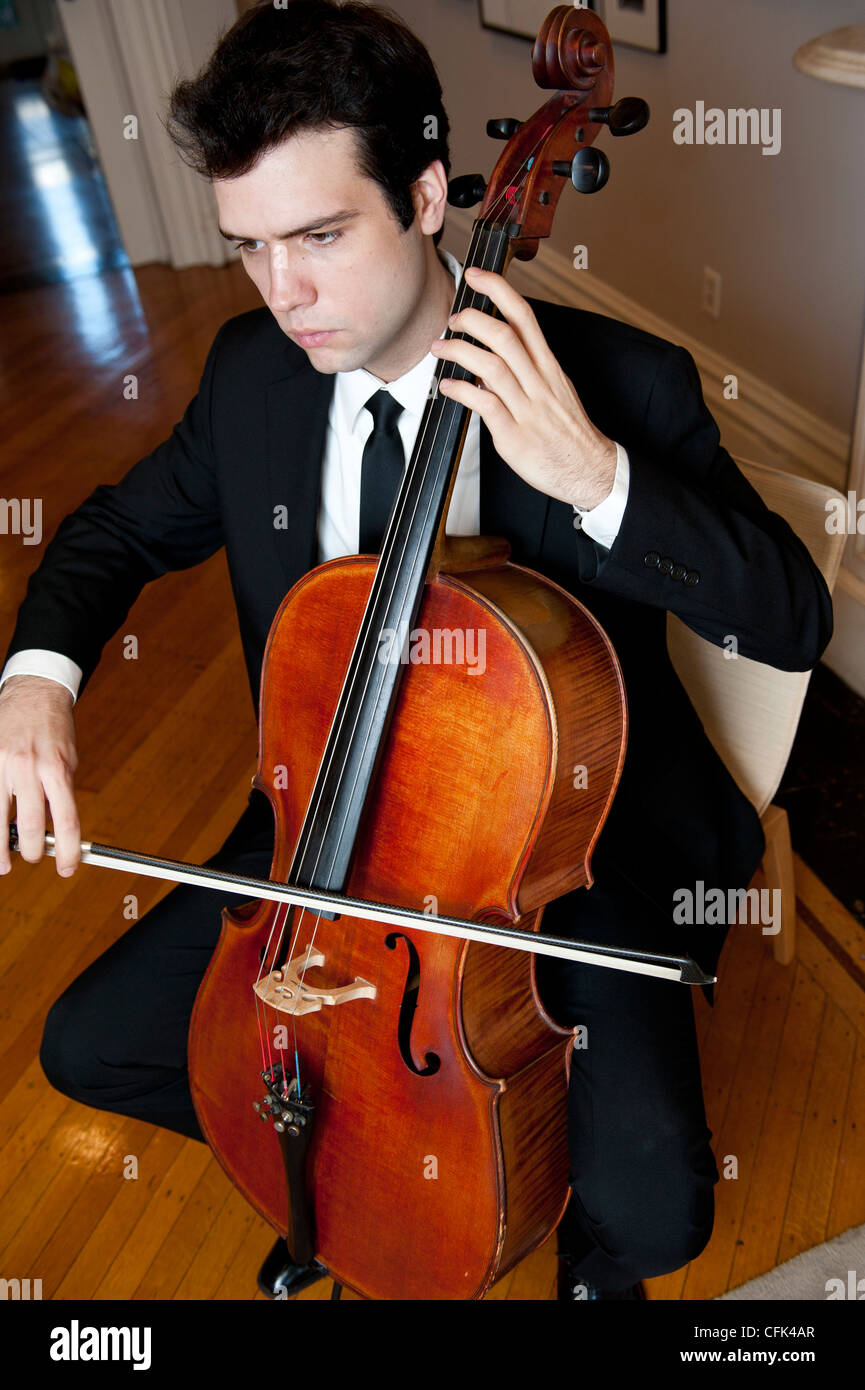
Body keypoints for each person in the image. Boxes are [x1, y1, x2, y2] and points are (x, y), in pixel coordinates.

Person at [0, 0, 832, 1301]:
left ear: (431, 194)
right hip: (323, 838)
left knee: (656, 1215)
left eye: (322, 237)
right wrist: (35, 685)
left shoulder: (617, 381)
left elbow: (790, 615)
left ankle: (563, 1234)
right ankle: (363, 1170)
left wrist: (598, 478)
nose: (285, 294)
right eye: (250, 248)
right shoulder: (249, 380)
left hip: (561, 859)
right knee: (85, 1046)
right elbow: (109, 533)